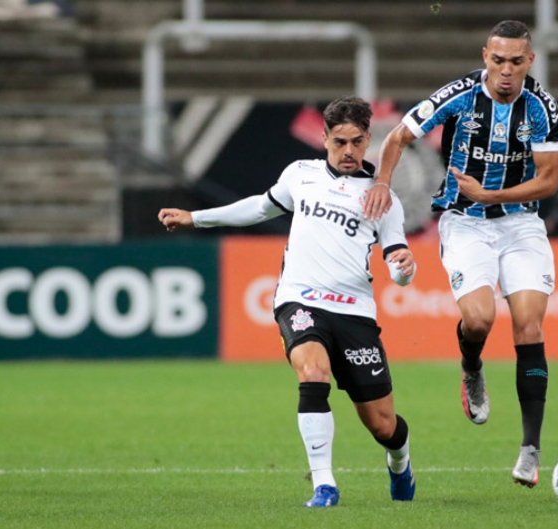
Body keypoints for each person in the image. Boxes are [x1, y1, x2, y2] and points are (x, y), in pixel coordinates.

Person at [158, 97, 417, 508]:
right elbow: (259, 209)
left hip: (354, 311)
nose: (348, 150)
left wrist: (404, 269)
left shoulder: (382, 198)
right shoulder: (300, 174)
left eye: (356, 141)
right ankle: (324, 485)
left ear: (369, 139)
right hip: (300, 298)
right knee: (312, 373)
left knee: (383, 426)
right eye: (339, 142)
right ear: (324, 138)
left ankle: (400, 462)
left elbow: (398, 264)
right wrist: (196, 217)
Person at [363, 20, 558, 488]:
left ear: (530, 61)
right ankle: (471, 366)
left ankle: (530, 451)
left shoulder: (541, 107)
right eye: (498, 60)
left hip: (520, 223)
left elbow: (550, 180)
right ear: (485, 57)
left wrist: (495, 196)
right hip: (465, 222)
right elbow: (397, 137)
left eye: (516, 61)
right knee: (477, 321)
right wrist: (382, 184)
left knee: (529, 325)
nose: (506, 70)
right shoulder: (458, 95)